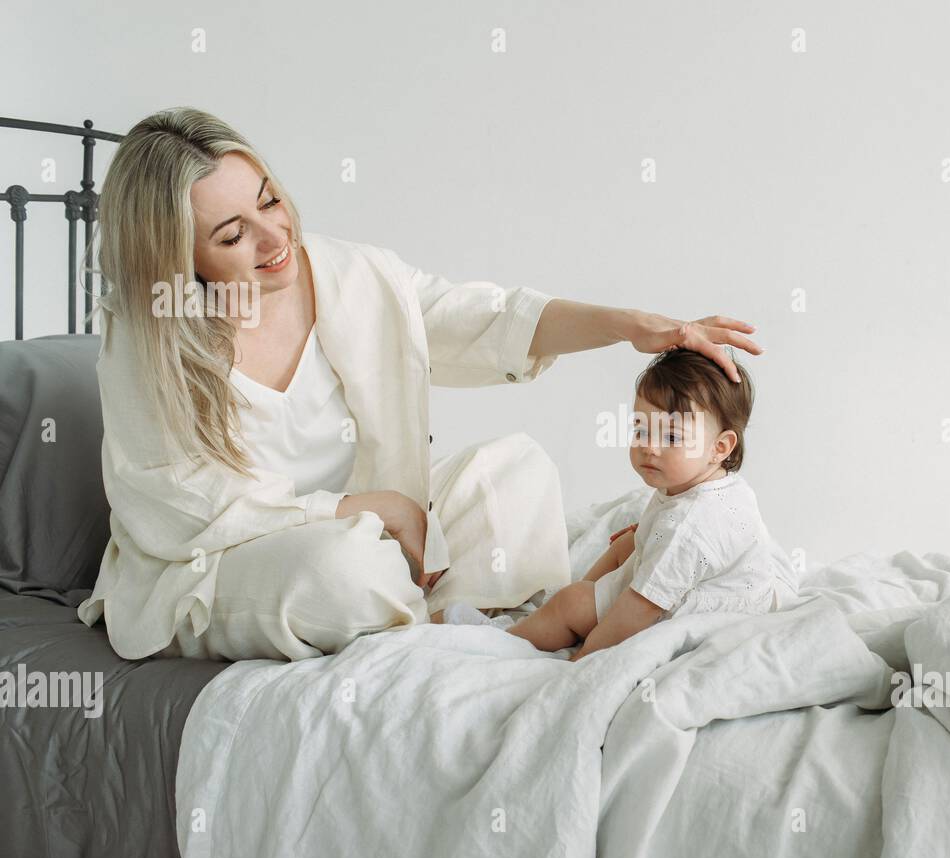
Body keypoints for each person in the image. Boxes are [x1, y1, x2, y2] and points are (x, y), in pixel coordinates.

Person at [75, 106, 761, 663]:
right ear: (178, 258)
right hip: (233, 562)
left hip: (376, 536)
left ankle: (460, 631)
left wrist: (630, 325)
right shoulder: (148, 337)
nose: (273, 236)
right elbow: (182, 507)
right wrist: (367, 510)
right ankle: (440, 632)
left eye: (270, 201)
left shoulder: (347, 274)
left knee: (519, 469)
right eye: (232, 236)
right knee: (340, 573)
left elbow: (480, 318)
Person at [500, 349, 799, 660]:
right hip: (736, 588)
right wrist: (645, 534)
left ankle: (511, 638)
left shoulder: (688, 526)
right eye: (641, 430)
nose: (649, 448)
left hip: (700, 614)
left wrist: (586, 658)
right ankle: (578, 609)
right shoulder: (713, 485)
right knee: (626, 543)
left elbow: (641, 609)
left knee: (571, 602)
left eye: (671, 437)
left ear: (719, 447)